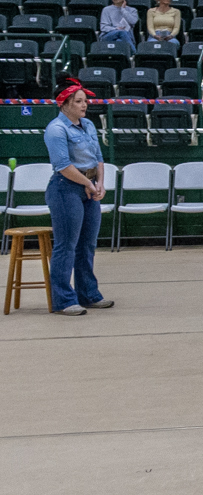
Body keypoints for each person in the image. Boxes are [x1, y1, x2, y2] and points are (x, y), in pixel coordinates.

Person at [42, 74, 112, 316]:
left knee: (87, 245)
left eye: (85, 101)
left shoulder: (89, 125)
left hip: (89, 186)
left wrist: (100, 183)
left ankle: (89, 294)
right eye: (80, 101)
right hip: (66, 188)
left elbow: (98, 158)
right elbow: (63, 165)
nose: (85, 105)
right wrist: (89, 184)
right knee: (66, 245)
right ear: (65, 103)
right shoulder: (56, 129)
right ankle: (63, 299)